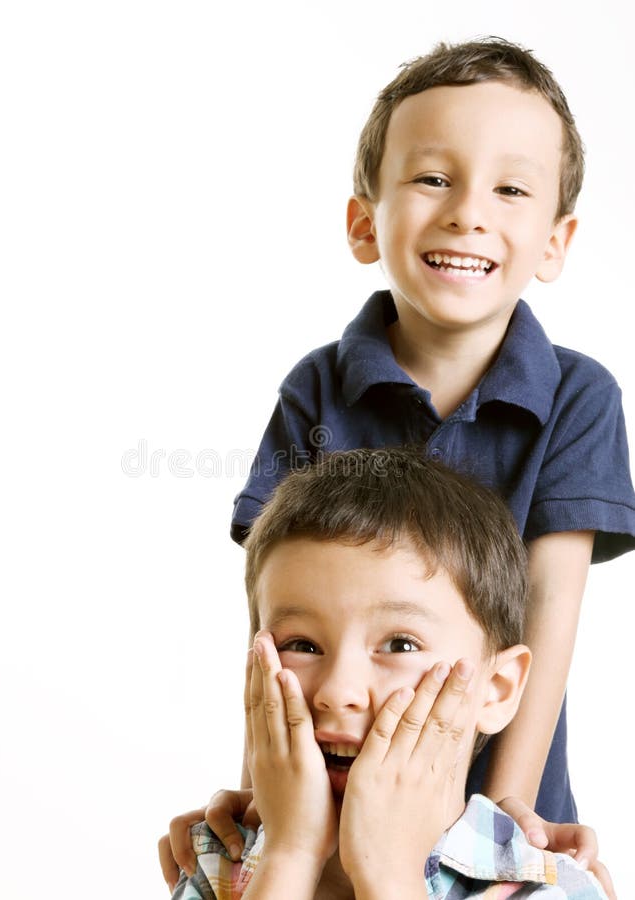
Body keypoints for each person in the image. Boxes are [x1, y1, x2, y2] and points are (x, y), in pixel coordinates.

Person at [160, 36, 635, 890]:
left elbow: (549, 611)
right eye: (431, 178)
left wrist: (509, 809)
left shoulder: (578, 395)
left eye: (511, 188)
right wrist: (270, 789)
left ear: (557, 241)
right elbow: (275, 615)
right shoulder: (319, 386)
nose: (467, 213)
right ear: (362, 222)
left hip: (484, 779)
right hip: (335, 757)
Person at [171, 448, 609, 899]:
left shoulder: (549, 887)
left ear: (496, 689)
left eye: (400, 644)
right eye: (302, 645)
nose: (338, 693)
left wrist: (390, 876)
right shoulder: (216, 867)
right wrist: (290, 855)